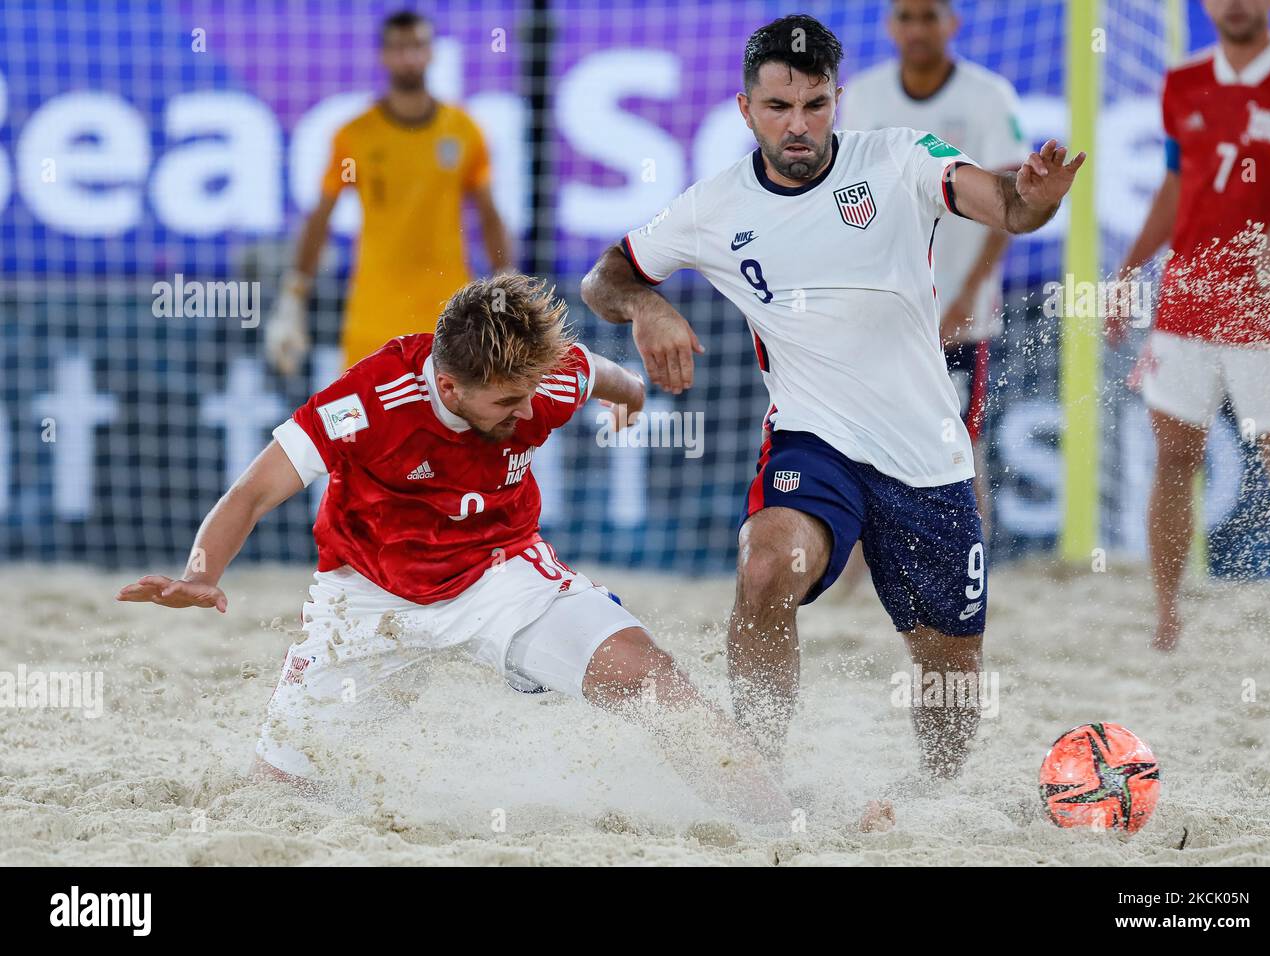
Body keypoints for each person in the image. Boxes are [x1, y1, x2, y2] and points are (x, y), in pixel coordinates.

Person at [581, 14, 1083, 820]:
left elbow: (1007, 207)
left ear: (837, 101)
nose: (799, 125)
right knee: (765, 565)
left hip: (926, 452)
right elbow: (602, 279)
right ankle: (756, 781)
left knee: (949, 661)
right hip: (814, 438)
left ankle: (937, 794)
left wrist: (1035, 198)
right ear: (746, 109)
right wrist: (645, 306)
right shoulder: (713, 207)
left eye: (815, 105)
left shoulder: (897, 158)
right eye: (779, 107)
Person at [119, 273, 790, 823]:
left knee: (654, 680)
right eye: (505, 403)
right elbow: (252, 492)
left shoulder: (539, 384)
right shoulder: (368, 403)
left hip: (501, 576)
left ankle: (779, 824)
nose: (526, 416)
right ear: (448, 387)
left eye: (530, 395)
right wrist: (201, 572)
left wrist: (634, 396)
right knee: (276, 791)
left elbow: (593, 372)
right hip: (367, 599)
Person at [1108, 0, 1270, 650]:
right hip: (1187, 304)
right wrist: (1128, 270)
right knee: (1173, 459)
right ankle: (1168, 616)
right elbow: (1173, 186)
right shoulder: (1183, 82)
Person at [840, 0, 1027, 535]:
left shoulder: (988, 97)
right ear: (889, 25)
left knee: (958, 445)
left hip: (956, 310)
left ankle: (975, 566)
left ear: (953, 23)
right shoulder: (866, 97)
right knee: (859, 441)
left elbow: (1010, 207)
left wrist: (971, 292)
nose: (917, 28)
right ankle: (854, 580)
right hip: (877, 308)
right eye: (906, 16)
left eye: (929, 15)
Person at [265, 10, 512, 375]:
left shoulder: (464, 131)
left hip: (449, 317)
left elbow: (489, 215)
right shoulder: (355, 137)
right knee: (361, 427)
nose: (409, 57)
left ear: (431, 53)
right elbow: (321, 217)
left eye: (417, 46)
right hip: (373, 318)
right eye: (399, 47)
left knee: (454, 426)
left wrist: (505, 286)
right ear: (383, 55)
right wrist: (293, 295)